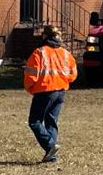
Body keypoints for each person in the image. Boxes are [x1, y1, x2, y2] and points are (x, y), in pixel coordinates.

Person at [23, 25, 78, 163]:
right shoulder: (66, 53)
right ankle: (51, 156)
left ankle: (50, 146)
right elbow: (73, 74)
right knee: (51, 122)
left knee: (34, 121)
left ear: (45, 37)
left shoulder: (39, 53)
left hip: (44, 91)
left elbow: (31, 77)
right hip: (61, 91)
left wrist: (30, 88)